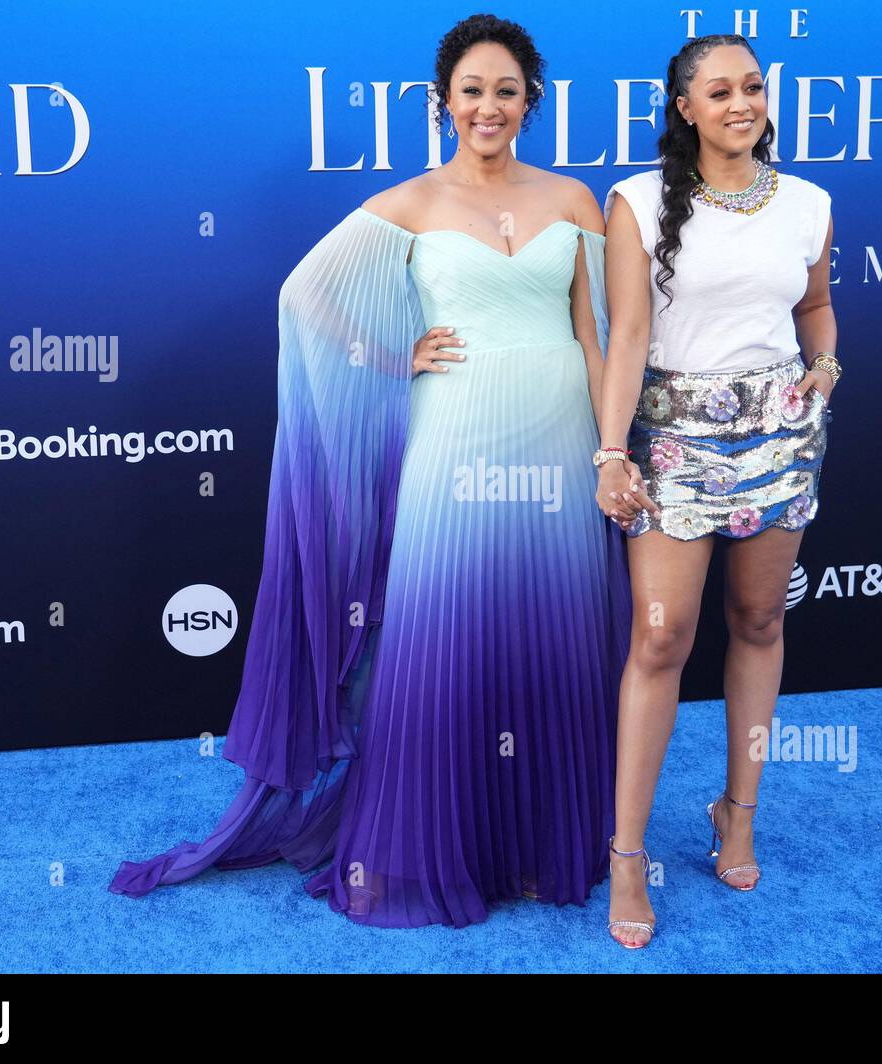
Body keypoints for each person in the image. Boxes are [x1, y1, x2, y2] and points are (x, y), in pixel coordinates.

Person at [108, 14, 631, 929]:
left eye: (506, 90)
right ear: (444, 102)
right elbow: (305, 299)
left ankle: (536, 847)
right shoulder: (414, 203)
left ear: (530, 102)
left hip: (558, 440)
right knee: (446, 640)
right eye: (472, 90)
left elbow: (596, 339)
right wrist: (394, 353)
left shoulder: (577, 202)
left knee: (549, 635)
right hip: (455, 437)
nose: (489, 106)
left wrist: (607, 451)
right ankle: (440, 846)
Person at [594, 34, 841, 948]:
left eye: (754, 87)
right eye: (720, 91)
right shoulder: (640, 200)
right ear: (684, 109)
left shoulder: (810, 201)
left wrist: (826, 364)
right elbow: (626, 337)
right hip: (672, 442)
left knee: (762, 623)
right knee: (660, 638)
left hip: (782, 434)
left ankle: (737, 810)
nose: (742, 102)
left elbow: (812, 307)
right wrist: (611, 452)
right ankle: (626, 854)